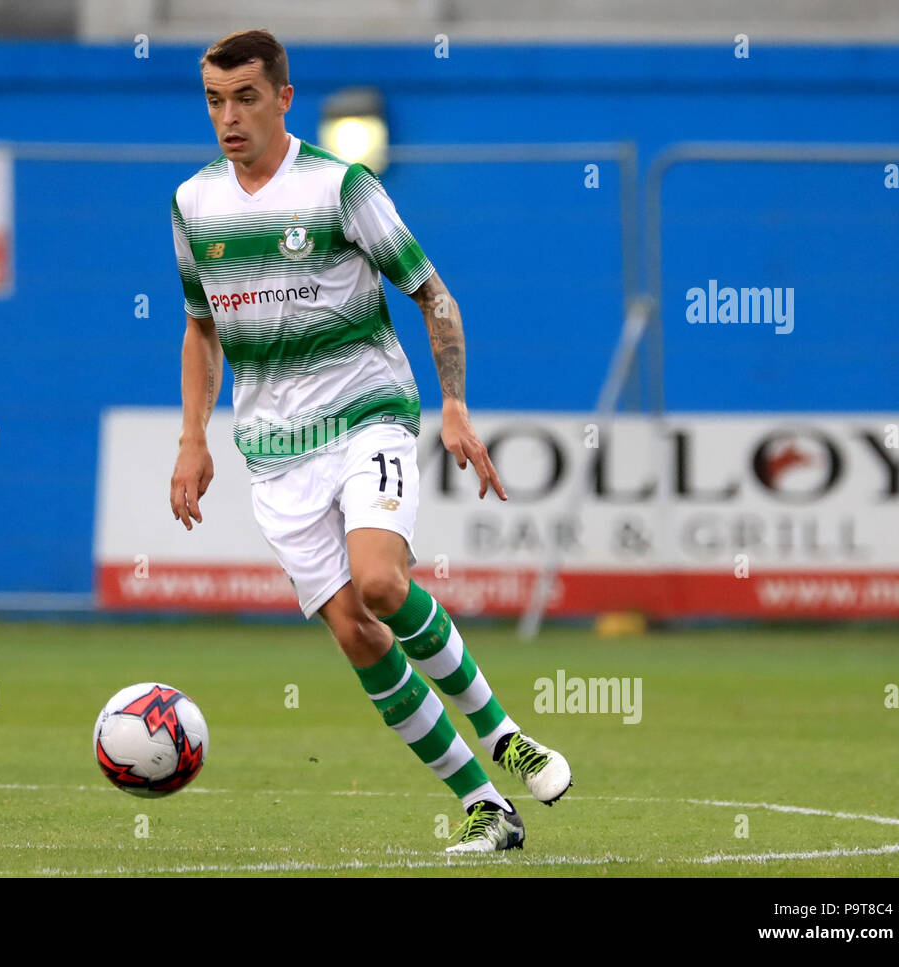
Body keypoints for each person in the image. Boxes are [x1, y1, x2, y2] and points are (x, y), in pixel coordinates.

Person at [168, 28, 571, 853]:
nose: (229, 117)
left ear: (284, 97)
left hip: (368, 415)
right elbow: (200, 329)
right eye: (215, 100)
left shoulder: (341, 189)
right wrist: (191, 439)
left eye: (246, 97)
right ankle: (487, 806)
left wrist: (454, 404)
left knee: (382, 583)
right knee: (357, 633)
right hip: (275, 455)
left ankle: (504, 735)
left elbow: (432, 293)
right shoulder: (192, 205)